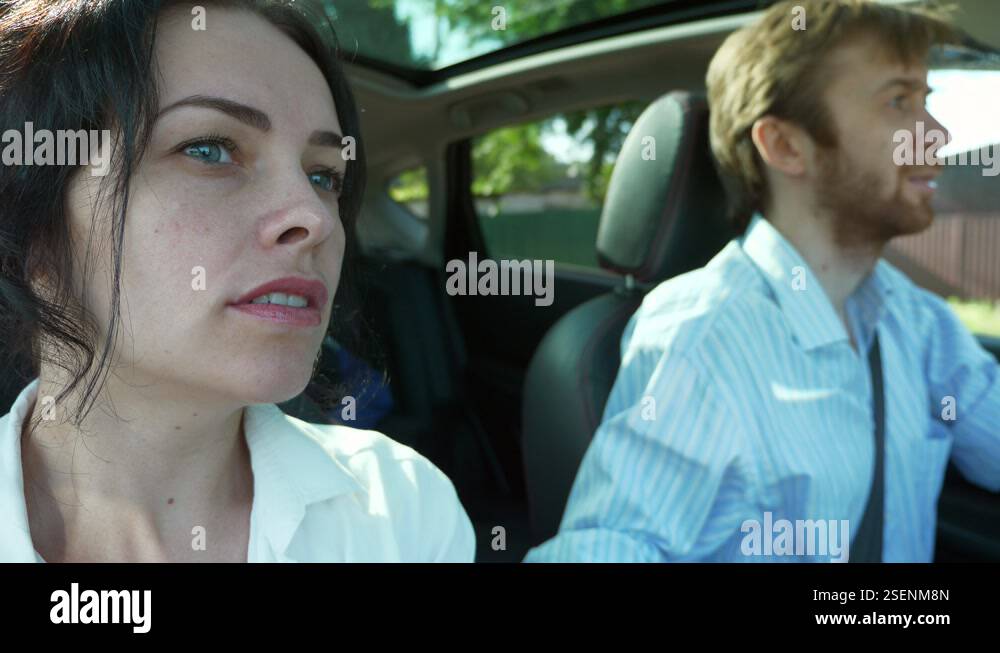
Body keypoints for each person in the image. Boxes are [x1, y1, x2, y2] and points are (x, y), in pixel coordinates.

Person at [525, 0, 999, 563]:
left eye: (928, 101)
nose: (938, 134)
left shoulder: (918, 322)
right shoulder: (703, 334)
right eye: (899, 101)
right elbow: (616, 543)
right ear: (785, 146)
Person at [0, 0, 474, 562]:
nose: (316, 218)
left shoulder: (402, 509)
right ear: (33, 230)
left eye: (324, 175)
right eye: (209, 149)